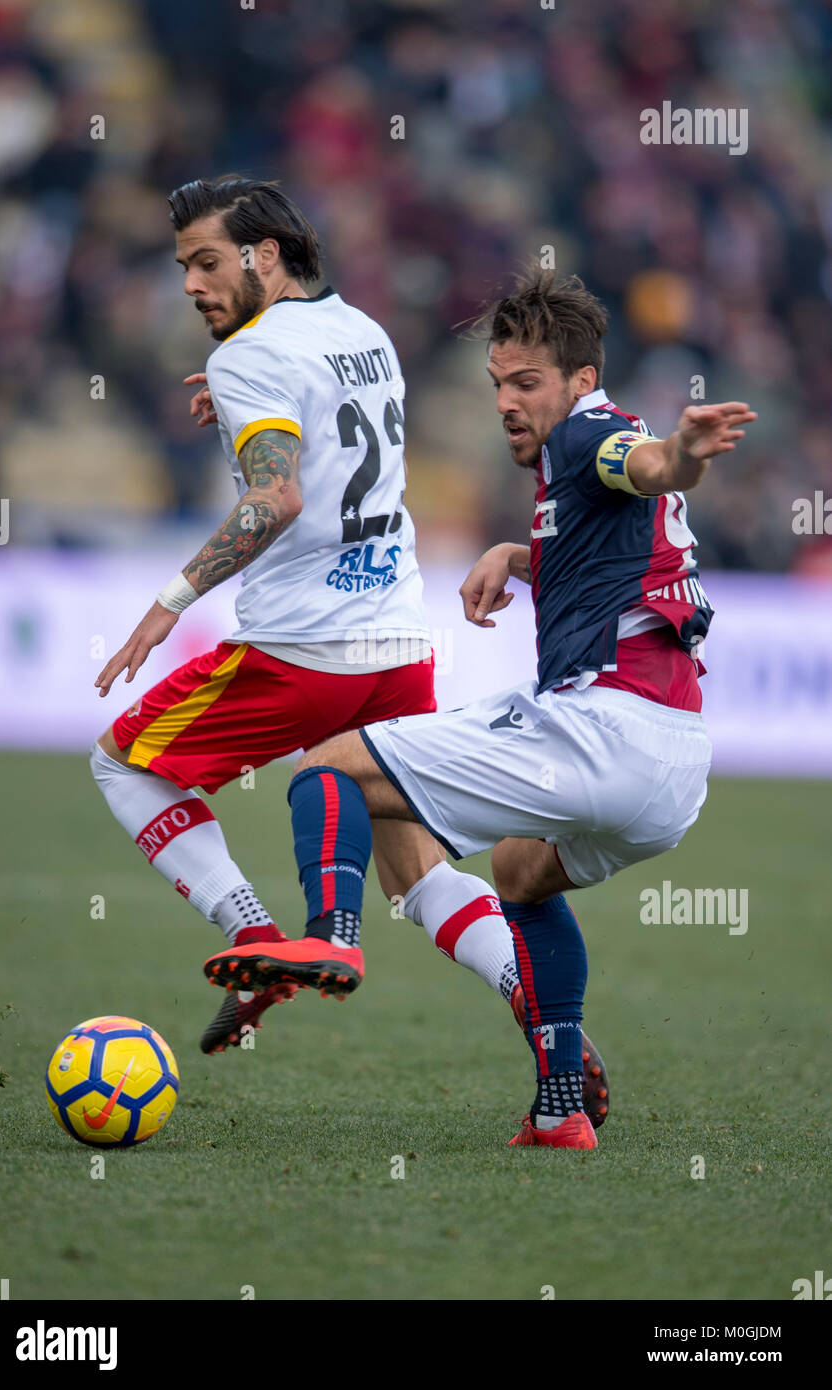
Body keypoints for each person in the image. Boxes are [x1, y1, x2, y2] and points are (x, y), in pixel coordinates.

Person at [88, 181, 607, 1120]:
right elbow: (318, 425)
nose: (194, 286)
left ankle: (256, 936)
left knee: (123, 762)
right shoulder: (362, 329)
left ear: (265, 256)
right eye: (184, 270)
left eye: (208, 263)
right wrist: (241, 391)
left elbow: (275, 499)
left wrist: (171, 603)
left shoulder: (252, 359)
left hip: (302, 648)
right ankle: (550, 1027)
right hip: (398, 640)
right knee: (415, 869)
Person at [204, 269, 756, 1150]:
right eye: (497, 382)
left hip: (601, 726)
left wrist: (682, 453)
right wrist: (513, 551)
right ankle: (559, 1110)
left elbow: (646, 468)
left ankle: (333, 938)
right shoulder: (579, 456)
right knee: (520, 875)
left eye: (526, 382)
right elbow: (622, 543)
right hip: (674, 770)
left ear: (580, 380)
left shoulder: (590, 435)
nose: (505, 401)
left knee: (328, 768)